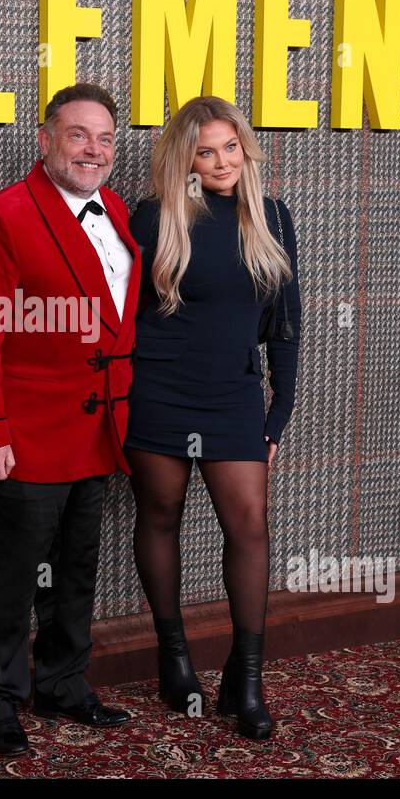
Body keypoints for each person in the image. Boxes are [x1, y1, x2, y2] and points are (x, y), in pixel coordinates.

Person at [0, 83, 139, 755]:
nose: (93, 149)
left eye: (104, 139)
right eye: (78, 134)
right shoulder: (2, 216)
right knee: (12, 570)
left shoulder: (114, 208)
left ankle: (62, 684)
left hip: (98, 428)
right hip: (27, 432)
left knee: (76, 567)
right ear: (46, 139)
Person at [124, 95, 302, 740]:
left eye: (231, 147)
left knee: (249, 525)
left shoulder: (273, 217)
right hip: (159, 390)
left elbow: (285, 325)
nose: (222, 161)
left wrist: (276, 414)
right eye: (206, 150)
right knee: (160, 516)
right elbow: (123, 318)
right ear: (185, 158)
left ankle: (245, 677)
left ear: (246, 150)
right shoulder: (154, 217)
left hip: (232, 397)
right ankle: (174, 657)